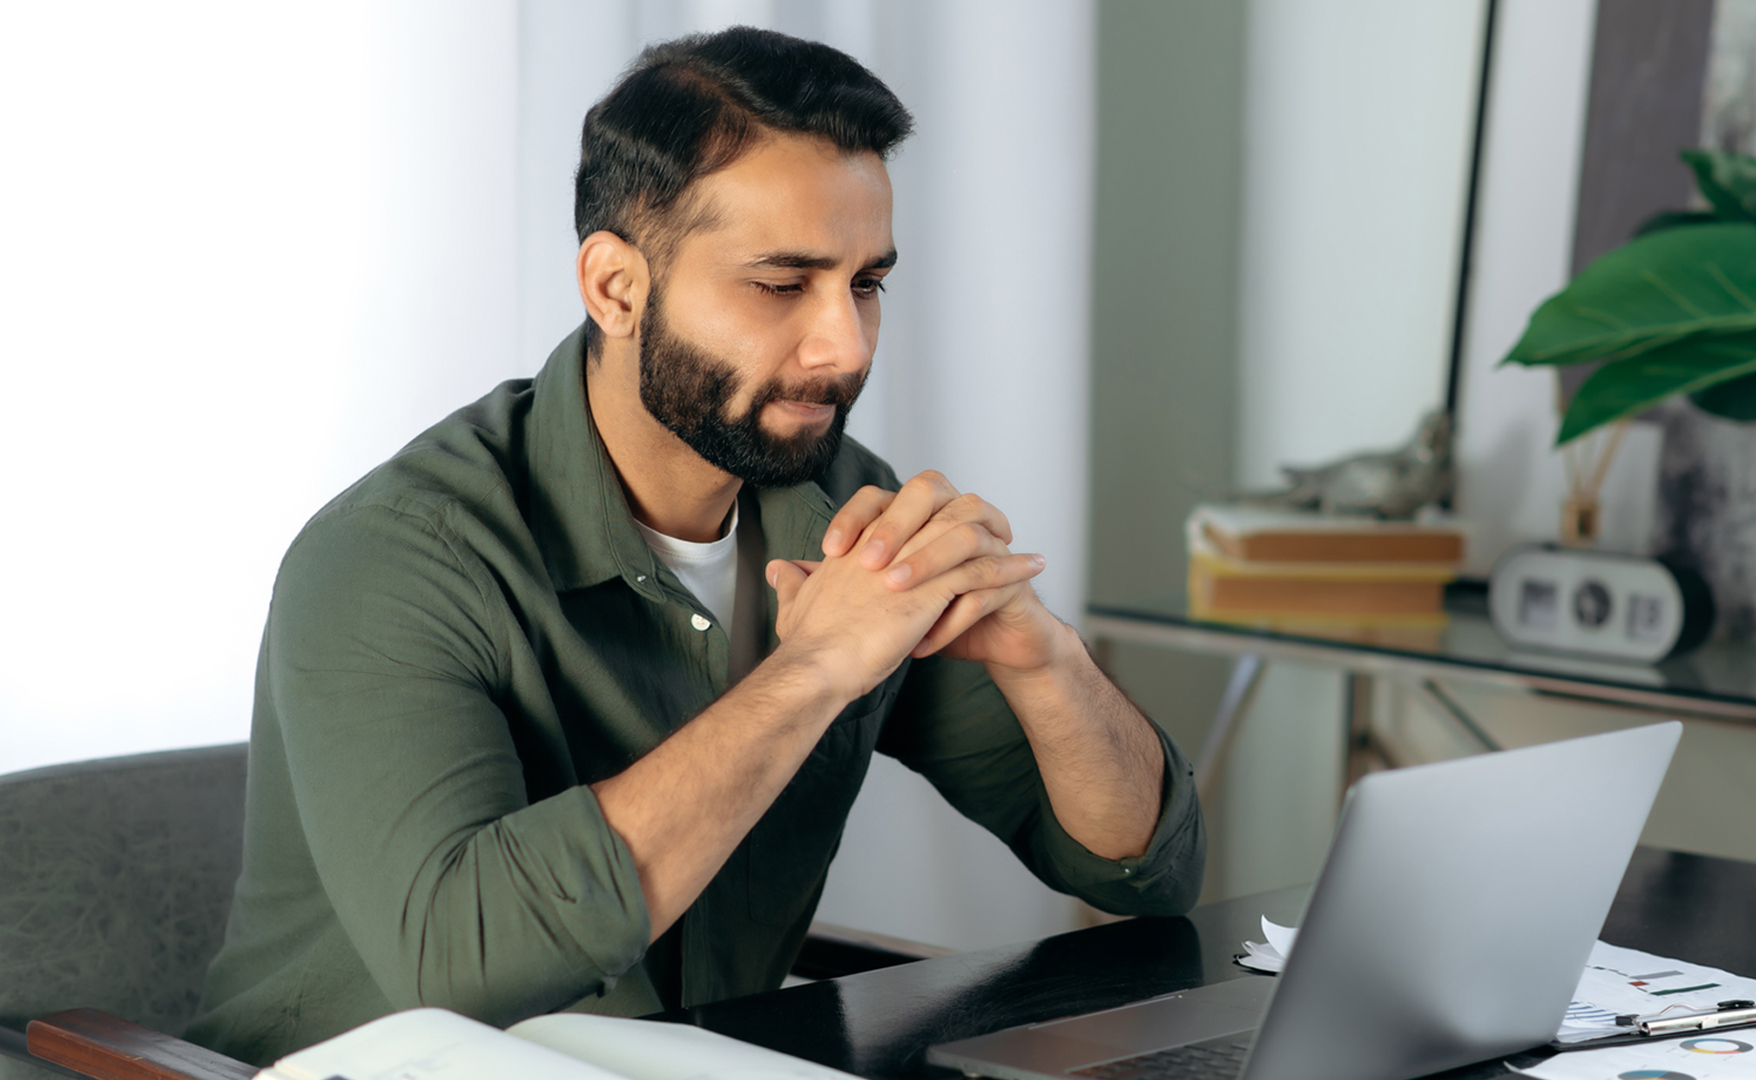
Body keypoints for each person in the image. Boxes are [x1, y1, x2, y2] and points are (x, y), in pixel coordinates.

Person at [186, 26, 1204, 1065]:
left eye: (866, 283)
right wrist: (814, 672)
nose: (844, 346)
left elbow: (1138, 873)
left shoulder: (843, 508)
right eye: (780, 285)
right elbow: (469, 972)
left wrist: (1047, 660)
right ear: (616, 288)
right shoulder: (392, 561)